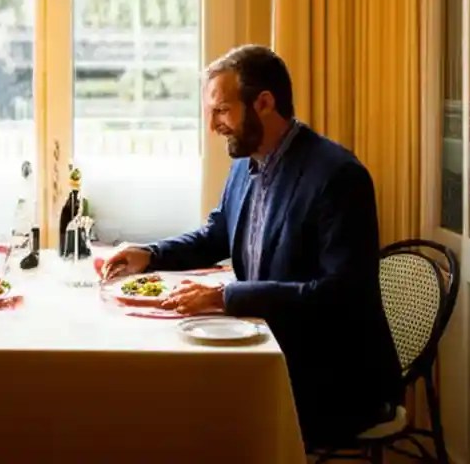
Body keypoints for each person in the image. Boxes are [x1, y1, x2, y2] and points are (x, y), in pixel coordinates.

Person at [101, 45, 402, 446]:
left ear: (264, 103)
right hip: (269, 347)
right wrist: (151, 254)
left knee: (188, 410)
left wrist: (226, 297)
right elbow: (216, 236)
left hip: (334, 379)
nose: (214, 126)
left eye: (222, 111)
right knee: (159, 393)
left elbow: (340, 295)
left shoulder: (338, 176)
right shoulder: (245, 164)